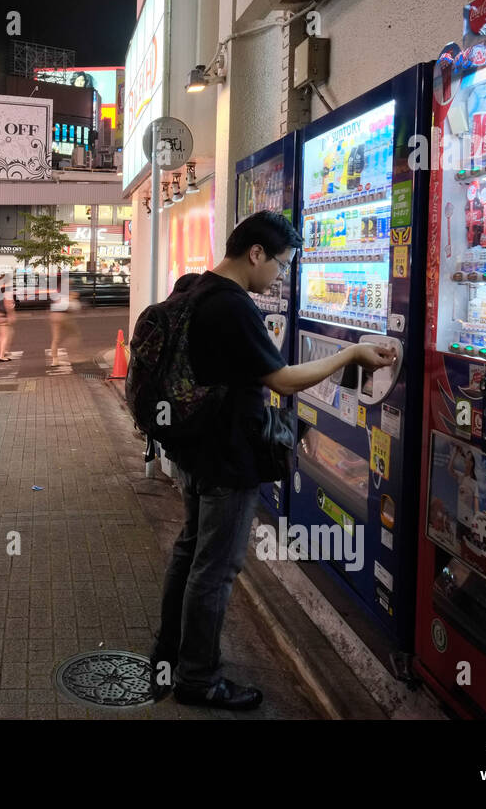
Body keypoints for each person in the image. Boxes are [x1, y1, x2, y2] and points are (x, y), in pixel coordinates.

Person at [149, 211, 394, 711]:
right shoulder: (235, 307)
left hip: (194, 447)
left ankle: (170, 654)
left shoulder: (194, 288)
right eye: (281, 264)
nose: (281, 276)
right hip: (227, 456)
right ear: (255, 254)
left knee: (190, 551)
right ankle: (198, 677)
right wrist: (351, 355)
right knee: (216, 568)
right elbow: (281, 380)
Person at [48, 287, 81, 367]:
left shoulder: (58, 296)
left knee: (55, 339)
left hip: (53, 316)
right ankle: (71, 353)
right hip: (64, 316)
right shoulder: (70, 298)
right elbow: (72, 309)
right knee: (75, 334)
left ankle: (55, 360)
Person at [0, 277, 16, 361]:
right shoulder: (8, 293)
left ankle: (2, 351)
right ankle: (1, 355)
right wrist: (10, 315)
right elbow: (8, 305)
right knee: (5, 336)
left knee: (6, 334)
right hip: (4, 316)